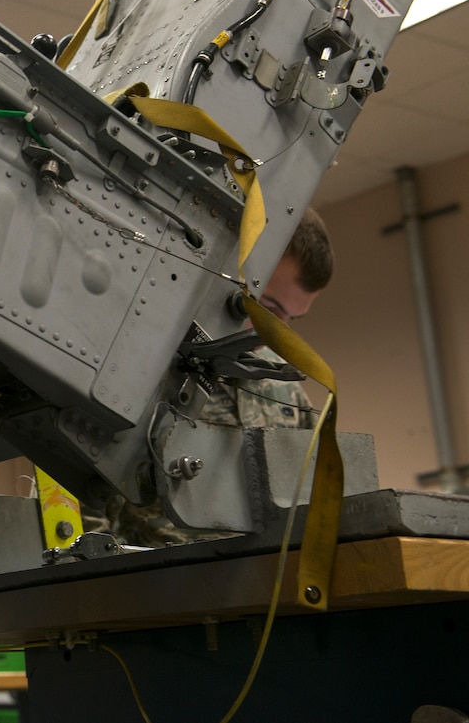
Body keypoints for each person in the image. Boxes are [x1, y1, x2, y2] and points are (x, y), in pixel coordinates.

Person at [91, 207, 335, 546]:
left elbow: (311, 496)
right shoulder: (142, 363)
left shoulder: (283, 388)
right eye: (271, 309)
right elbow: (84, 496)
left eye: (292, 319)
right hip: (149, 585)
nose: (276, 334)